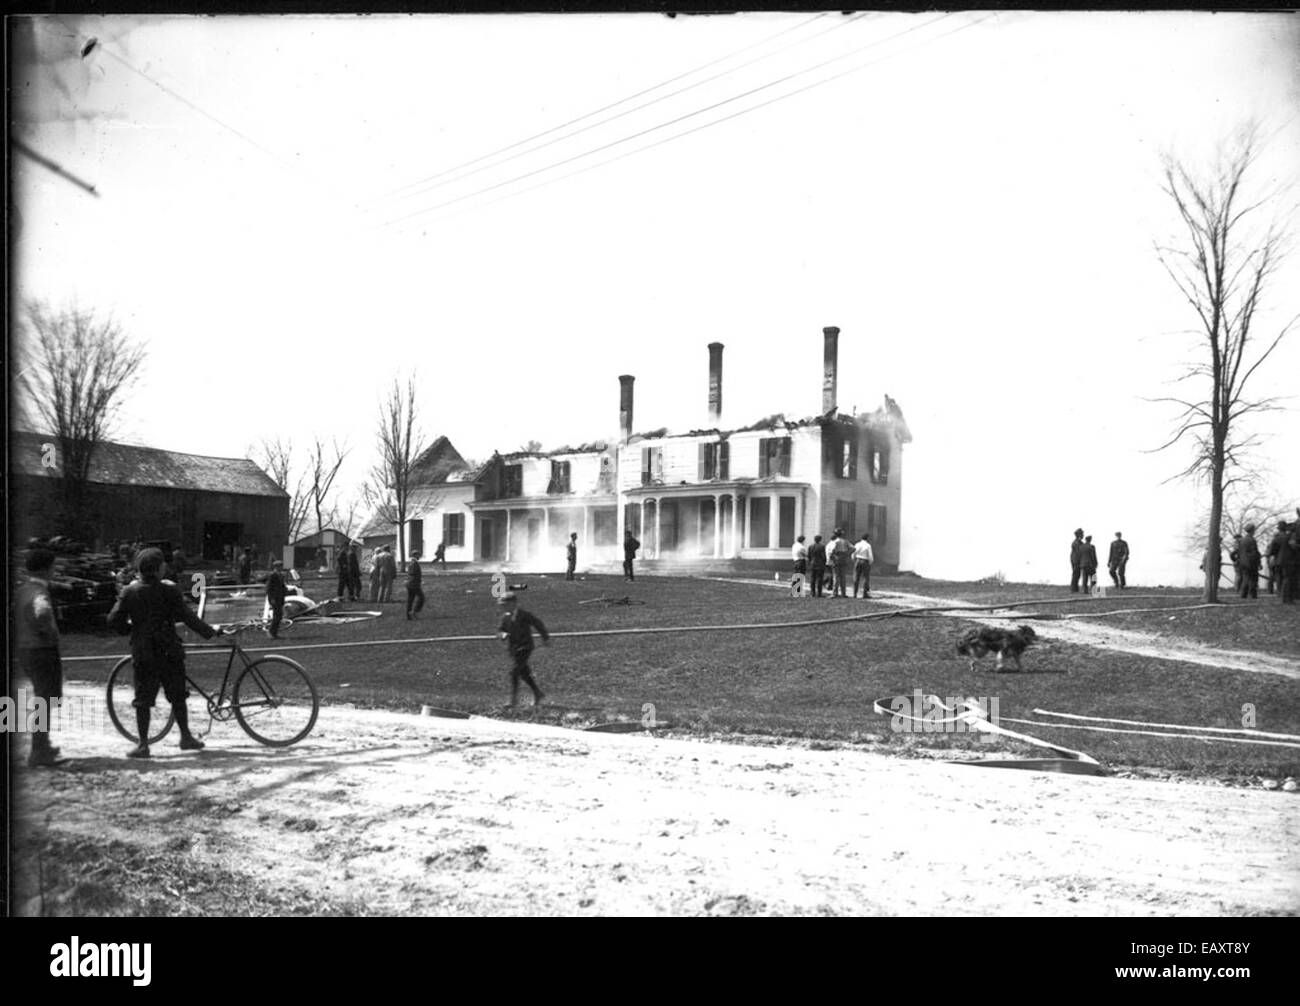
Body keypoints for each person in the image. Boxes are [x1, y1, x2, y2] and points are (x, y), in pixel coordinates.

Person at [107, 547, 223, 758]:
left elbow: (114, 620)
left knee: (143, 699)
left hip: (144, 652)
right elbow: (188, 617)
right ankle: (186, 737)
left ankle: (143, 744)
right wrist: (210, 632)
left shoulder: (129, 591)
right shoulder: (169, 591)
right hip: (169, 651)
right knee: (178, 696)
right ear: (159, 569)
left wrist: (132, 630)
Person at [15, 547, 64, 766]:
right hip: (41, 649)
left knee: (42, 698)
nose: (55, 570)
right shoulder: (39, 591)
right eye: (53, 566)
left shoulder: (22, 589)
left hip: (25, 649)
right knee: (44, 699)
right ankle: (38, 751)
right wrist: (50, 632)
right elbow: (42, 612)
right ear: (46, 569)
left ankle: (42, 744)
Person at [497, 592, 549, 709]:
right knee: (524, 674)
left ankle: (513, 700)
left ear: (514, 603)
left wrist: (545, 638)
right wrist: (503, 634)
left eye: (506, 604)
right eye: (502, 605)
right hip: (514, 649)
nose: (504, 607)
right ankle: (538, 693)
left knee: (514, 672)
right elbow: (499, 630)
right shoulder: (505, 617)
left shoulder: (524, 615)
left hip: (525, 647)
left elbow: (538, 624)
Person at [1237, 524, 1261, 600]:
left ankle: (1243, 594)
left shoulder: (1242, 540)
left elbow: (1239, 552)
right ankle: (1253, 595)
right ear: (1252, 530)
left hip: (1243, 562)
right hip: (1251, 562)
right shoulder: (1252, 540)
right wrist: (1258, 562)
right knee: (1253, 579)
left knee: (1245, 578)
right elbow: (1254, 552)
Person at [266, 560, 288, 637]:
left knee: (279, 615)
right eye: (280, 566)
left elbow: (282, 586)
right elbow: (269, 588)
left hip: (280, 597)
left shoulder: (281, 575)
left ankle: (274, 631)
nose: (281, 567)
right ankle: (272, 631)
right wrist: (271, 598)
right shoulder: (273, 575)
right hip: (275, 598)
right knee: (277, 615)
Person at [829, 529, 853, 598]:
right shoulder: (846, 541)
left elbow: (832, 550)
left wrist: (833, 557)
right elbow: (853, 548)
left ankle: (835, 593)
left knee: (836, 577)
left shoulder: (835, 541)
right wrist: (846, 554)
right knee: (843, 577)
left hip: (837, 559)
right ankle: (843, 593)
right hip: (843, 559)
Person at [1266, 522, 1287, 595]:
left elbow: (1271, 551)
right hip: (1289, 561)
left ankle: (1279, 592)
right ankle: (1286, 592)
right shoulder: (1289, 537)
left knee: (1278, 576)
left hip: (1278, 560)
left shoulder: (1276, 539)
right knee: (1287, 577)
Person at [852, 533, 874, 598]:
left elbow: (853, 553)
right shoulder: (868, 545)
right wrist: (870, 562)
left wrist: (854, 559)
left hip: (858, 560)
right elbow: (870, 556)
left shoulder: (857, 544)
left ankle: (854, 593)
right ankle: (865, 594)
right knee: (865, 578)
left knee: (856, 577)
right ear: (867, 538)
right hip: (865, 561)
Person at [406, 550, 425, 620]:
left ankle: (408, 615)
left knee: (410, 600)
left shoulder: (412, 562)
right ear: (415, 555)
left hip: (410, 583)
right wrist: (418, 581)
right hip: (413, 584)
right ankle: (414, 611)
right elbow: (413, 573)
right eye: (418, 555)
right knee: (421, 598)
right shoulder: (414, 563)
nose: (419, 556)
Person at [808, 534, 827, 598]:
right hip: (820, 564)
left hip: (813, 563)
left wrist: (811, 561)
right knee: (820, 579)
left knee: (812, 579)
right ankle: (819, 593)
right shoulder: (822, 546)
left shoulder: (810, 546)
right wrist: (824, 562)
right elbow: (823, 556)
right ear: (820, 539)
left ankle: (812, 593)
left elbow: (809, 556)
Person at [1069, 528, 1084, 592]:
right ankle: (1073, 589)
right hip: (1076, 561)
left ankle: (1075, 588)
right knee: (1076, 574)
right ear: (1079, 535)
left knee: (1077, 574)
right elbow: (1079, 552)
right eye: (1082, 534)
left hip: (1076, 560)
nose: (1083, 535)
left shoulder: (1078, 542)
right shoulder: (1076, 543)